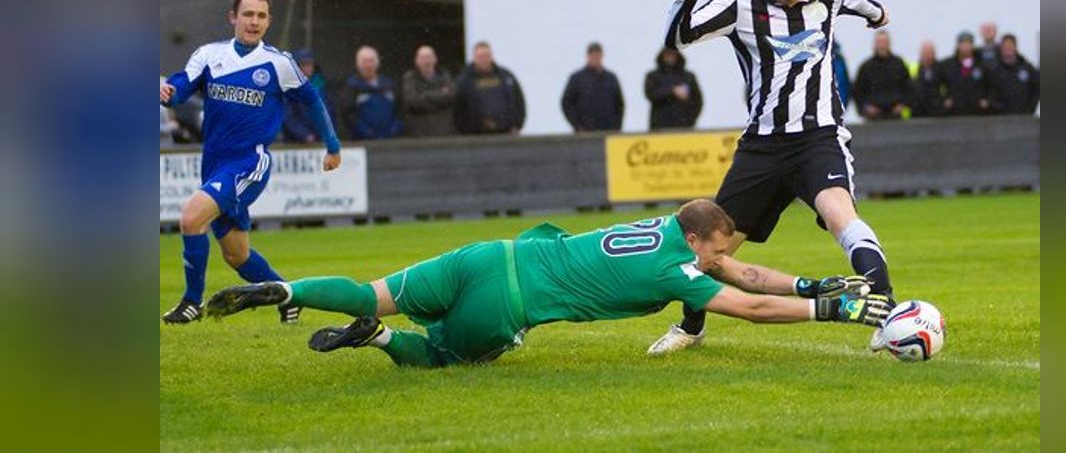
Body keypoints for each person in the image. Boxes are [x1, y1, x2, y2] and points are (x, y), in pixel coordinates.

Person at [205, 199, 892, 368]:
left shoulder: (666, 225)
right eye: (716, 250)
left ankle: (290, 290)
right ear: (699, 242)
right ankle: (382, 340)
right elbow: (745, 301)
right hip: (507, 303)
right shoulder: (676, 267)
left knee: (371, 287)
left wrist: (805, 280)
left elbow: (741, 270)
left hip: (486, 254)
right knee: (442, 354)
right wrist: (828, 310)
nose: (722, 258)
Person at [653, 0, 898, 355]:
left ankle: (885, 309)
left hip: (818, 138)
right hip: (762, 146)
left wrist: (877, 16)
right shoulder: (740, 1)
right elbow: (679, 38)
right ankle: (692, 326)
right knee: (713, 248)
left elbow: (872, 9)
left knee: (840, 214)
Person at [159, 0, 342, 324]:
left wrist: (332, 146)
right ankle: (289, 295)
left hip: (249, 163)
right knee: (236, 255)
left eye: (261, 16)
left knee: (190, 217)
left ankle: (191, 303)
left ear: (268, 21)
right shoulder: (209, 55)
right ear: (233, 18)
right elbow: (180, 89)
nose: (254, 21)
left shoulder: (278, 63)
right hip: (214, 165)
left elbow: (312, 101)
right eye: (248, 14)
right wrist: (166, 92)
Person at [454, 41, 526, 134]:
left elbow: (519, 100)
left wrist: (517, 124)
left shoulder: (505, 76)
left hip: (506, 132)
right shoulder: (464, 81)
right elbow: (458, 109)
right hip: (476, 135)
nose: (484, 59)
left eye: (486, 56)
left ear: (492, 56)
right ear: (474, 57)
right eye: (480, 56)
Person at [340, 45, 403, 140]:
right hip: (363, 142)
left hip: (389, 142)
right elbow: (348, 115)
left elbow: (400, 111)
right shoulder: (351, 86)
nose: (368, 65)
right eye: (365, 62)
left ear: (377, 63)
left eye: (371, 61)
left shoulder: (389, 85)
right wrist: (366, 132)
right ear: (358, 65)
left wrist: (395, 130)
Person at [561, 42, 624, 132]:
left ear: (602, 56)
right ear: (587, 56)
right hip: (585, 134)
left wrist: (616, 127)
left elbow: (619, 104)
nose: (595, 58)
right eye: (592, 55)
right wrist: (577, 126)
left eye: (598, 55)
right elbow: (566, 103)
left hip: (608, 133)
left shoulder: (611, 78)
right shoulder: (577, 78)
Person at [852, 30, 913, 121]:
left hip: (895, 117)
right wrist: (866, 107)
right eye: (879, 42)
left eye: (884, 42)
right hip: (873, 118)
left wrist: (903, 104)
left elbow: (909, 88)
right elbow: (857, 92)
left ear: (889, 44)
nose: (882, 46)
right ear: (875, 44)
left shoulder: (899, 64)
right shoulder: (866, 67)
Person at [401, 45, 457, 137]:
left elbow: (450, 97)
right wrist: (439, 96)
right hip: (420, 134)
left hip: (444, 133)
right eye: (422, 58)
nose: (426, 61)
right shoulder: (409, 78)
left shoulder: (445, 76)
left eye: (429, 57)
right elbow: (412, 102)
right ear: (416, 61)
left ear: (435, 59)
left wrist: (424, 95)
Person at [280, 49, 333, 144]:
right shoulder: (289, 87)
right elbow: (287, 117)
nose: (308, 68)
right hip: (295, 142)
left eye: (310, 64)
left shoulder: (321, 85)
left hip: (320, 139)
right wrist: (305, 135)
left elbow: (327, 111)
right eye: (304, 65)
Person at [644, 47, 703, 129]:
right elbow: (651, 93)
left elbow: (698, 100)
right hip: (660, 126)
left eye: (672, 55)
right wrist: (672, 91)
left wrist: (690, 119)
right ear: (662, 56)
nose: (670, 58)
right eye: (667, 55)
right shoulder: (653, 76)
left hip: (684, 126)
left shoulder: (688, 77)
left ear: (678, 56)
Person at [936, 31, 991, 116]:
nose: (966, 47)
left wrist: (987, 101)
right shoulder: (946, 66)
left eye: (968, 43)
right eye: (963, 43)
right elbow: (935, 86)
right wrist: (943, 101)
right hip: (953, 114)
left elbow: (991, 87)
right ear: (958, 46)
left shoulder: (981, 66)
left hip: (977, 114)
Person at [986, 33, 1040, 114]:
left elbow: (1036, 89)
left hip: (1023, 117)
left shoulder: (1027, 68)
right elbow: (988, 92)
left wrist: (1030, 109)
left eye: (1010, 45)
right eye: (1005, 46)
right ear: (1001, 48)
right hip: (1000, 118)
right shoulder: (994, 70)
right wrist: (995, 107)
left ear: (1015, 47)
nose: (1008, 48)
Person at [910, 40, 943, 118]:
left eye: (930, 52)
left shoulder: (942, 69)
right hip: (916, 113)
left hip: (937, 114)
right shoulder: (913, 68)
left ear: (934, 53)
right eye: (925, 52)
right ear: (920, 53)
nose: (927, 55)